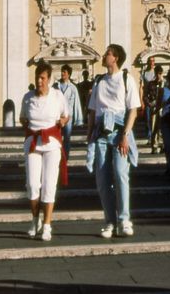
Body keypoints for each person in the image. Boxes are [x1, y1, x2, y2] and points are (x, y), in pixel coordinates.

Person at [87, 44, 140, 239]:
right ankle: (109, 221)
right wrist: (89, 133)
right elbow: (93, 110)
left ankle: (124, 219)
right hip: (101, 134)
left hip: (119, 133)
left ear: (115, 58)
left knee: (120, 175)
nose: (104, 55)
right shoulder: (99, 81)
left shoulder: (127, 79)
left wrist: (126, 134)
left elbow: (133, 110)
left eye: (107, 53)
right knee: (102, 181)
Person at [20, 61, 69, 242]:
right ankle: (35, 220)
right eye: (37, 78)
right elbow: (23, 118)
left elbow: (66, 115)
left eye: (42, 78)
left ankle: (47, 224)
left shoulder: (57, 96)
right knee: (33, 184)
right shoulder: (27, 97)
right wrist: (32, 130)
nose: (39, 81)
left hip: (52, 144)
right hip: (33, 143)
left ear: (49, 79)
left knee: (49, 185)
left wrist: (63, 122)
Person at [54, 64, 83, 159]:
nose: (62, 73)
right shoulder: (55, 86)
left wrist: (78, 119)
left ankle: (65, 156)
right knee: (56, 137)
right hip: (57, 116)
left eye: (64, 72)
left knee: (67, 138)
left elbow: (77, 103)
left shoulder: (73, 88)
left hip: (68, 117)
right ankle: (57, 156)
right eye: (62, 71)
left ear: (69, 74)